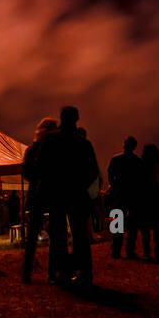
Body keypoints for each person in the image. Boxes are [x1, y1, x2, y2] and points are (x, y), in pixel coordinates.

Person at [38, 106, 100, 289]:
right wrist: (81, 186)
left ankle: (61, 273)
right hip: (77, 194)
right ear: (77, 119)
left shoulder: (50, 140)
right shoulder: (83, 143)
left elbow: (42, 166)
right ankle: (85, 273)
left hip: (57, 194)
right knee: (81, 236)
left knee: (58, 237)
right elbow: (92, 171)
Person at [21, 117, 57, 284]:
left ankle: (27, 273)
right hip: (52, 193)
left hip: (36, 194)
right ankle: (52, 273)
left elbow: (26, 173)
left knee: (32, 236)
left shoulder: (30, 150)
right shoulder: (55, 150)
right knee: (56, 235)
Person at [106, 136, 142, 259]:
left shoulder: (116, 159)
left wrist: (114, 186)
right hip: (133, 194)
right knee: (132, 224)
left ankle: (116, 249)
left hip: (118, 193)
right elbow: (140, 180)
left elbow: (110, 176)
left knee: (117, 222)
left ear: (124, 145)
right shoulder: (137, 161)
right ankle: (130, 249)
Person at [138, 144, 159, 262]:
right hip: (156, 197)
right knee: (157, 228)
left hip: (144, 197)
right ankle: (158, 251)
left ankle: (146, 250)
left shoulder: (141, 165)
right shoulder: (157, 166)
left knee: (145, 226)